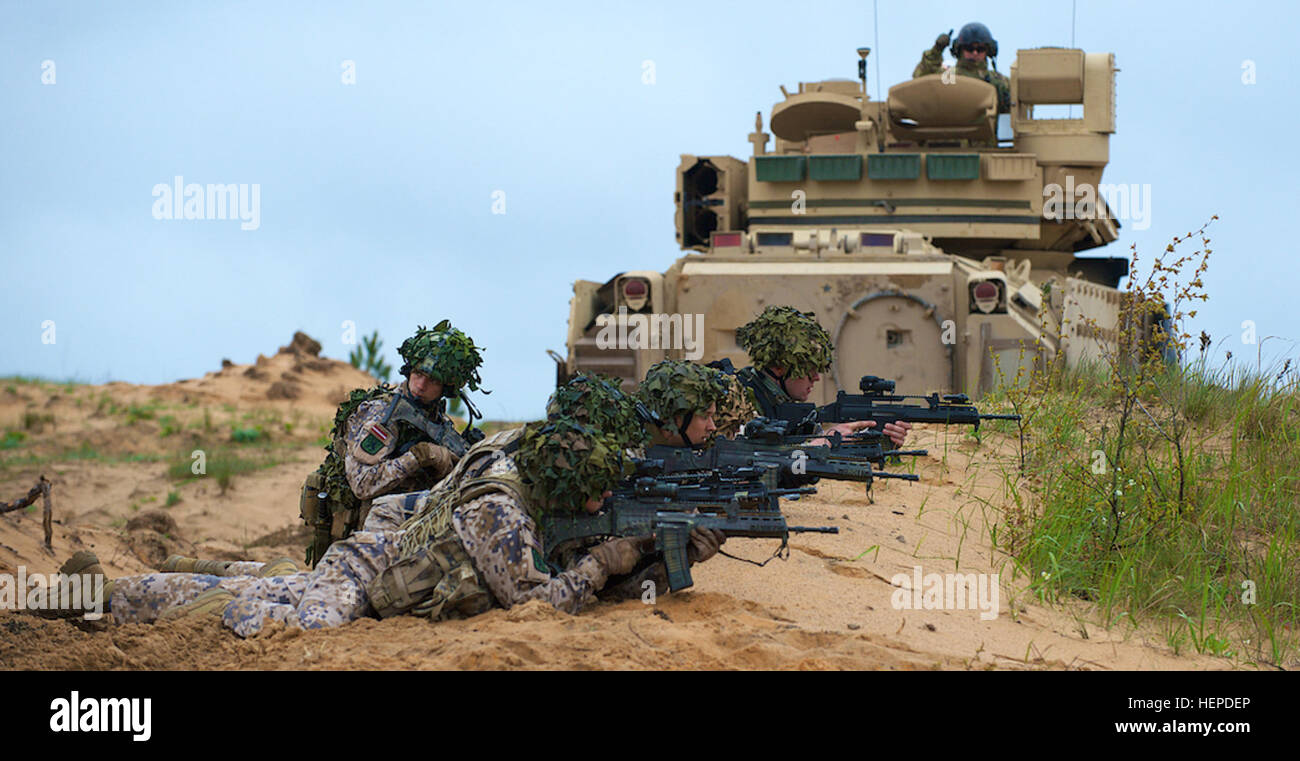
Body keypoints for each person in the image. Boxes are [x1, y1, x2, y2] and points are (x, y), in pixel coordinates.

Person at [43, 417, 724, 635]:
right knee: (286, 619)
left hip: (372, 555)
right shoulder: (502, 510)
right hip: (364, 577)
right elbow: (539, 604)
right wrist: (606, 561)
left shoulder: (516, 461)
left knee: (271, 579)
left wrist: (662, 554)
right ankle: (99, 603)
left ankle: (101, 587)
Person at [710, 305, 911, 447]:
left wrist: (877, 440)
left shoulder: (780, 404)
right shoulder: (733, 397)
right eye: (809, 370)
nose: (816, 378)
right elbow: (743, 458)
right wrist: (824, 441)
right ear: (780, 367)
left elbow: (811, 449)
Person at [912, 23, 1011, 114]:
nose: (975, 53)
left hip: (987, 131)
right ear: (959, 50)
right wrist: (936, 51)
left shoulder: (999, 81)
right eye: (969, 49)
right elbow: (921, 80)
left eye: (980, 49)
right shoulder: (948, 77)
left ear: (989, 51)